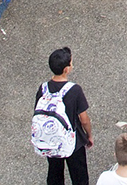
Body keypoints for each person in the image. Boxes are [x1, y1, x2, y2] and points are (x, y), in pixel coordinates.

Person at [37, 47, 93, 185]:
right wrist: (88, 135)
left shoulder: (43, 88)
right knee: (79, 175)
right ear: (66, 69)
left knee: (54, 172)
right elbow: (84, 119)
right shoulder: (74, 90)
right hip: (74, 140)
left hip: (51, 138)